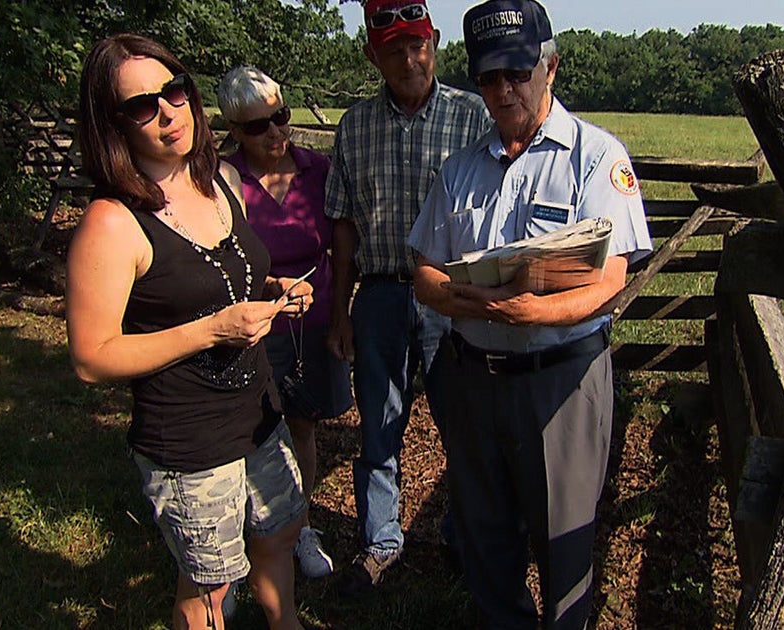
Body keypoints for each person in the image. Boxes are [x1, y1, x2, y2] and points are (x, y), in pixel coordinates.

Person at [406, 1, 653, 627]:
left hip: (560, 380)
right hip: (473, 380)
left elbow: (611, 280)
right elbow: (424, 270)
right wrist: (458, 298)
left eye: (517, 73)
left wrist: (532, 313)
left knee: (563, 541)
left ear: (551, 67)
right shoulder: (460, 170)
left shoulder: (595, 157)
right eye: (489, 78)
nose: (503, 91)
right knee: (485, 536)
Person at [69, 33, 314, 630]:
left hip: (258, 412)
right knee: (210, 586)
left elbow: (224, 277)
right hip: (187, 435)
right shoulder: (112, 222)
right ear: (113, 124)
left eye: (174, 91)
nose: (167, 112)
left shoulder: (220, 181)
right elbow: (91, 357)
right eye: (141, 105)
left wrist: (275, 289)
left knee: (280, 534)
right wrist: (211, 331)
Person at [324, 0, 491, 596]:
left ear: (435, 42)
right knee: (379, 425)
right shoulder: (355, 125)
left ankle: (462, 534)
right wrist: (341, 312)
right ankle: (380, 542)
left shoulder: (473, 117)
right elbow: (344, 224)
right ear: (373, 56)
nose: (408, 59)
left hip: (452, 294)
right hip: (381, 294)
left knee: (463, 423)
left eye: (416, 45)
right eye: (393, 50)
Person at [217, 66, 354, 580]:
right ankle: (242, 540)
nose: (276, 132)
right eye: (259, 126)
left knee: (303, 427)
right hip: (252, 327)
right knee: (248, 434)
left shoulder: (318, 169)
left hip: (312, 323)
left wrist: (340, 315)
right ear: (235, 131)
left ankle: (300, 527)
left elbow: (343, 243)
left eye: (281, 117)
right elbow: (220, 260)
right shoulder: (224, 180)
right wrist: (269, 289)